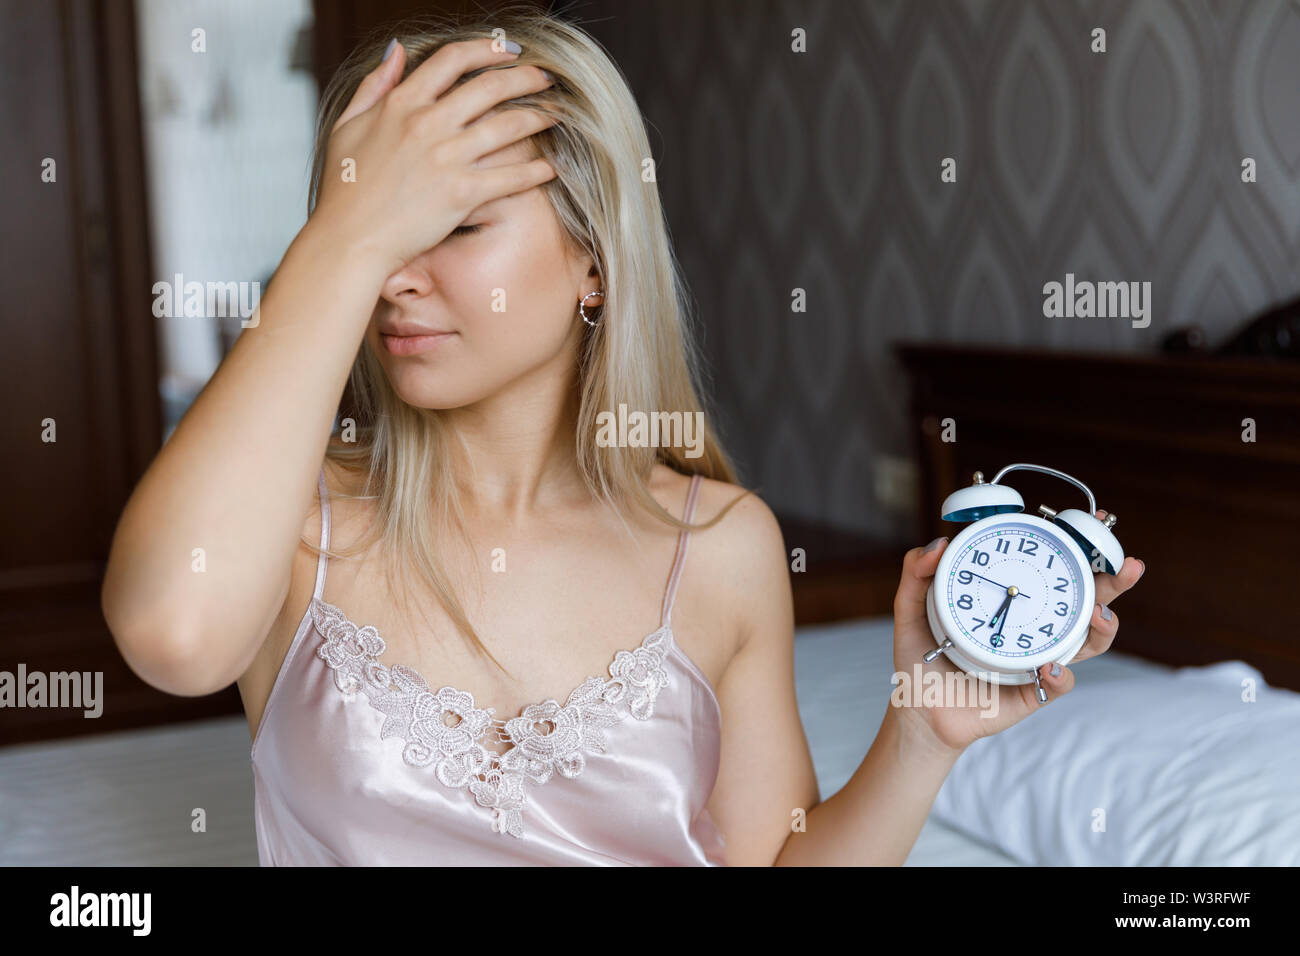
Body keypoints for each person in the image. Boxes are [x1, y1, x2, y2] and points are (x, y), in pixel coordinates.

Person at [101, 8, 1145, 866]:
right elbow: (171, 635)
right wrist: (344, 230)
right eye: (370, 230)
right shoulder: (292, 516)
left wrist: (921, 733)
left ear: (593, 257)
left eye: (455, 224)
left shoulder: (721, 541)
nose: (392, 275)